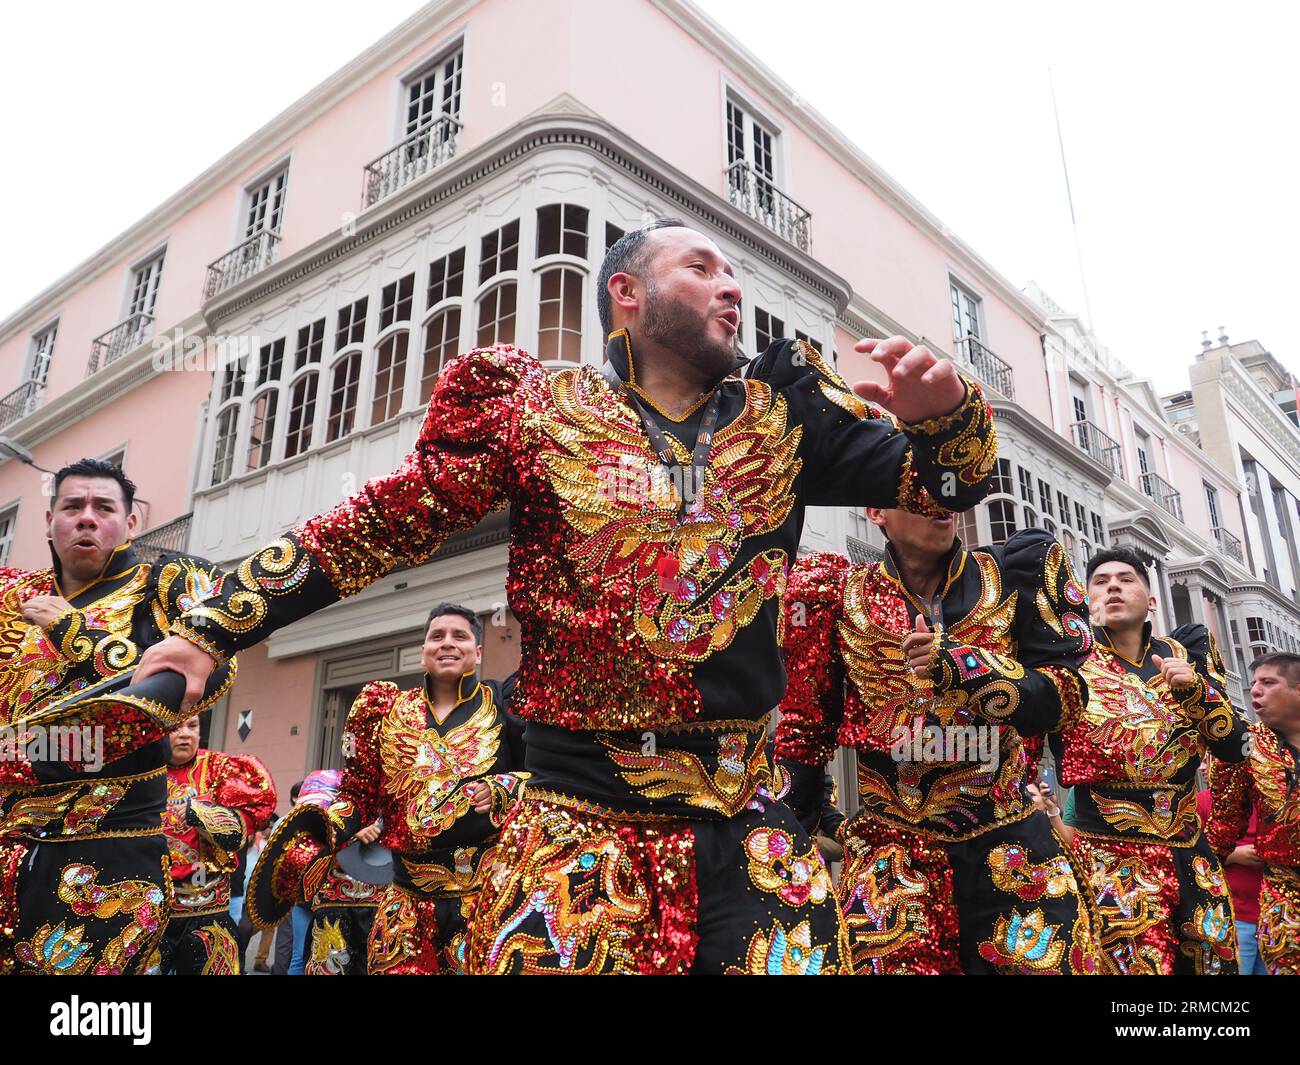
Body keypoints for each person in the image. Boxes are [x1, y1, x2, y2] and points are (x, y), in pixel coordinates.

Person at [134, 220, 997, 974]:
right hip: (578, 830)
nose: (730, 286)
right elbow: (378, 525)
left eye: (735, 275)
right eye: (701, 268)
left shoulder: (786, 416)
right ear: (627, 292)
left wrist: (949, 415)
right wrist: (214, 628)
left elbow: (946, 486)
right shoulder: (539, 413)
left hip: (749, 832)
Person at [776, 509, 1098, 974]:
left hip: (1009, 846)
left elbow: (1065, 698)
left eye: (945, 478)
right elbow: (806, 732)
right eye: (917, 486)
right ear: (877, 511)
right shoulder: (834, 595)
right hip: (890, 859)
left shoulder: (1013, 575)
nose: (939, 499)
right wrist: (787, 855)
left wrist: (970, 671)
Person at [0, 459, 234, 975]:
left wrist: (76, 634)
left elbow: (207, 673)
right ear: (48, 521)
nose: (86, 518)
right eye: (72, 507)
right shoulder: (11, 595)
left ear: (130, 524)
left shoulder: (167, 582)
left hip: (106, 847)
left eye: (103, 508)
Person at [249, 604, 526, 974]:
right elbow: (357, 796)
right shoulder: (385, 711)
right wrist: (323, 830)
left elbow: (541, 778)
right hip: (405, 902)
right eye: (436, 636)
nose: (447, 644)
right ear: (422, 651)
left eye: (460, 637)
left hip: (483, 899)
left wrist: (505, 787)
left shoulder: (505, 703)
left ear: (478, 652)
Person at [1052, 548, 1248, 975]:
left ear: (1151, 599)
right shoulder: (1068, 663)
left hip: (1188, 849)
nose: (1114, 587)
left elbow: (1234, 745)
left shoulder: (1187, 651)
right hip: (1106, 852)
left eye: (1126, 579)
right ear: (1088, 601)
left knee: (1211, 965)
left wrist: (1197, 691)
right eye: (1101, 582)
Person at [157, 714, 275, 974]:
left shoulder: (220, 769)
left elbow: (240, 827)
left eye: (193, 726)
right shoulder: (145, 774)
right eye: (176, 728)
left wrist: (201, 814)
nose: (185, 734)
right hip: (155, 912)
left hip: (207, 908)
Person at [1206, 653, 1300, 976]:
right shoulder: (1247, 746)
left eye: (1268, 682)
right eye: (1254, 683)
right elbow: (1224, 824)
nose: (1255, 690)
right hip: (1284, 898)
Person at [294, 768, 382, 976]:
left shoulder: (394, 780)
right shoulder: (324, 781)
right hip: (334, 898)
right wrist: (350, 831)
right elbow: (308, 829)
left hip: (381, 901)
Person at [1196, 788, 1267, 975]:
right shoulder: (1204, 801)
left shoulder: (1274, 800)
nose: (1204, 767)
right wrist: (1232, 856)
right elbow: (1191, 855)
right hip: (1233, 920)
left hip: (1271, 919)